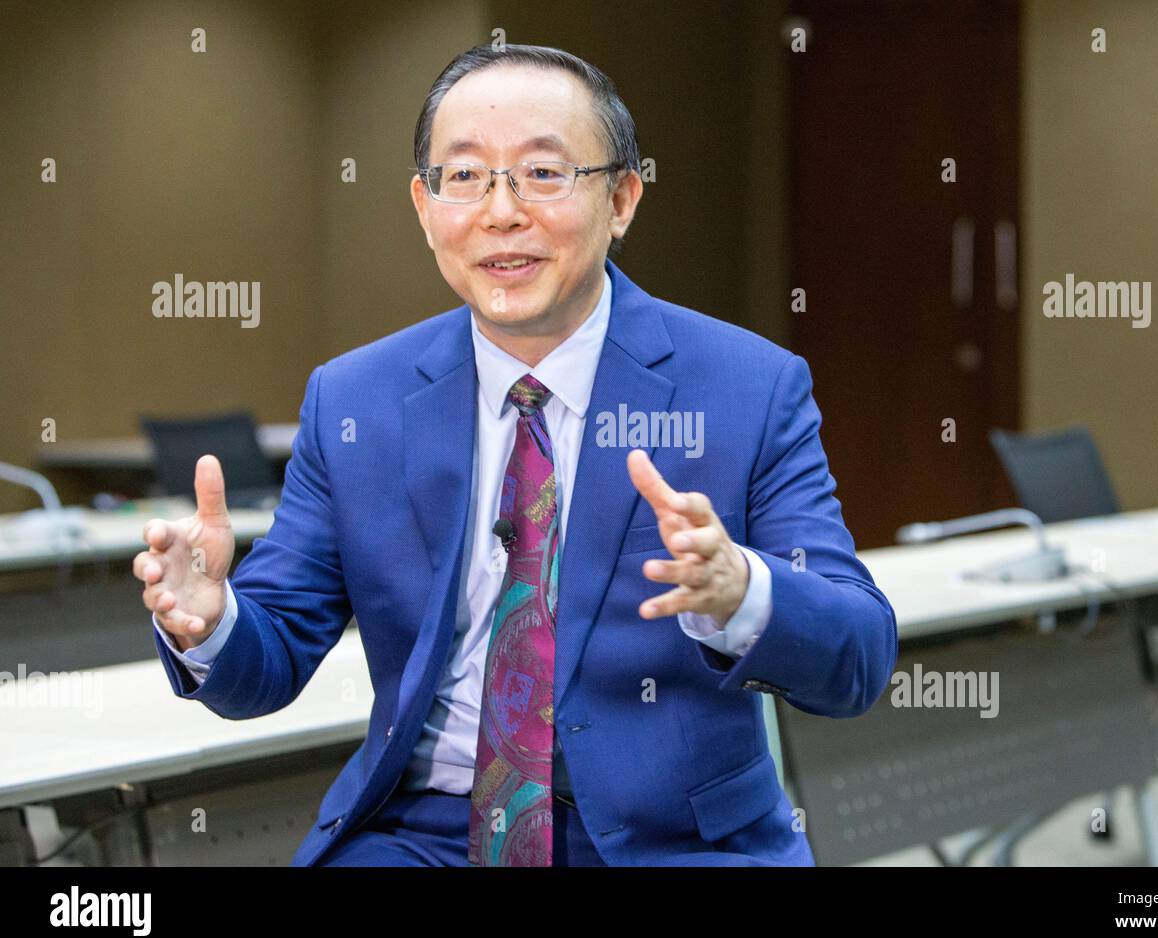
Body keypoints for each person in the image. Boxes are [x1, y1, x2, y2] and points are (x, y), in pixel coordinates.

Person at [132, 43, 897, 867]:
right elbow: (269, 662)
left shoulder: (748, 388)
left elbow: (856, 658)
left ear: (623, 197)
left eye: (543, 174)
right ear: (425, 208)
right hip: (426, 837)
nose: (501, 212)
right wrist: (211, 623)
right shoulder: (355, 400)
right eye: (464, 178)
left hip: (674, 844)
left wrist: (743, 591)